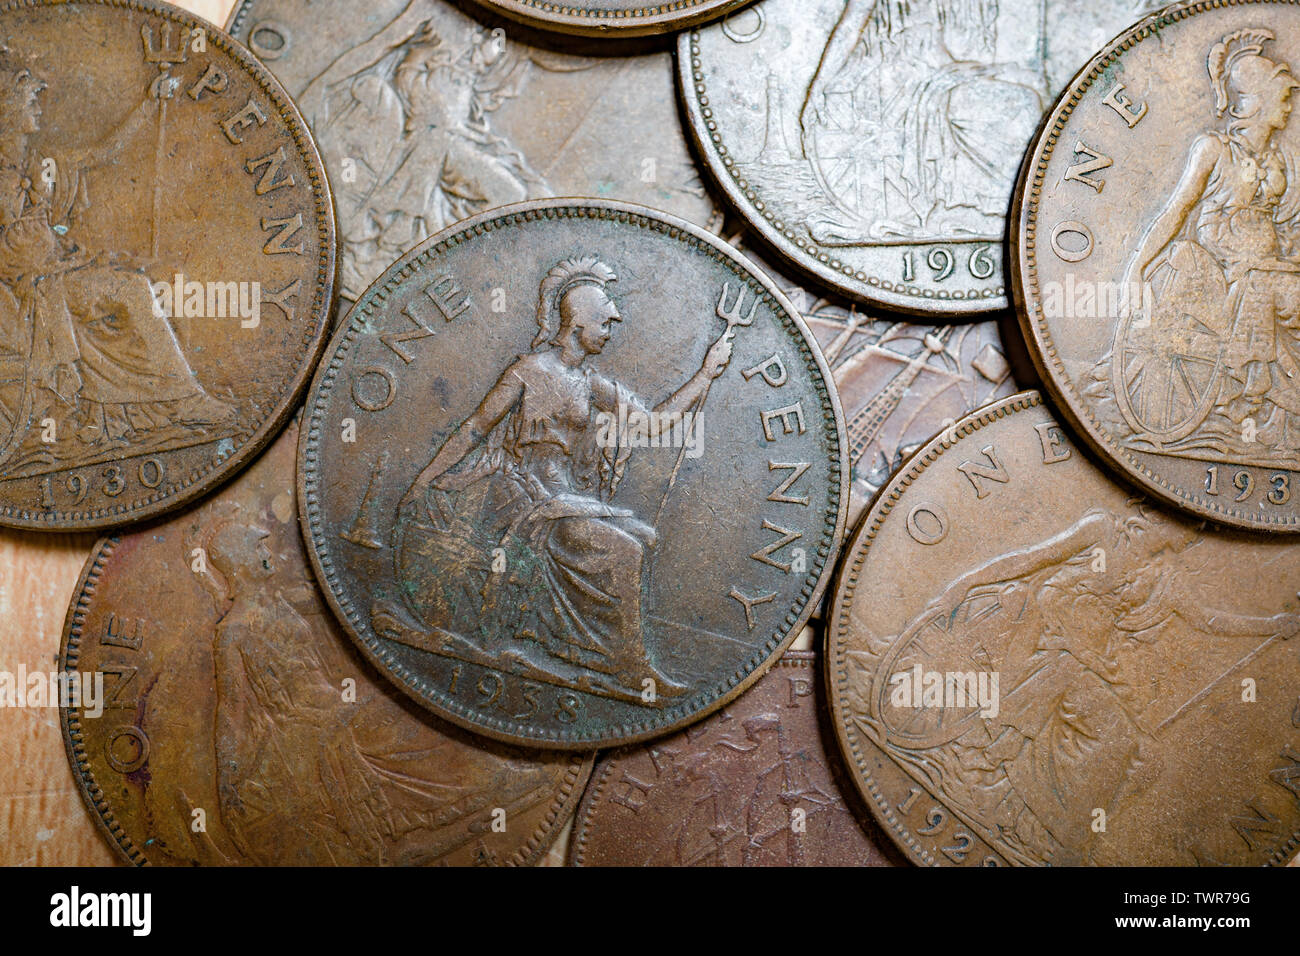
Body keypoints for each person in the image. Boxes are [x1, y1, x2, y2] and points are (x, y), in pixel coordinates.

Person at [394, 256, 733, 698]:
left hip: (564, 497)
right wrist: (425, 480)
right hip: (522, 493)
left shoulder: (590, 383)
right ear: (578, 327)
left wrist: (706, 373)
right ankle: (630, 667)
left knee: (643, 537)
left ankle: (587, 650)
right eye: (605, 325)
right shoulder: (527, 371)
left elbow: (651, 424)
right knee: (626, 550)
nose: (611, 334)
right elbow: (476, 427)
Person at [0, 46, 233, 469]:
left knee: (145, 278)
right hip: (29, 286)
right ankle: (184, 400)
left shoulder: (44, 161)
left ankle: (146, 404)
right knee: (130, 290)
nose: (38, 106)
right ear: (4, 105)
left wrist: (149, 103)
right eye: (30, 98)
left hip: (61, 268)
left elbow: (104, 153)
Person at [1123, 28, 1300, 452]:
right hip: (1224, 260)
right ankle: (1247, 391)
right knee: (1262, 287)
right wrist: (1137, 266)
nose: (1290, 105)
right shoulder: (1213, 148)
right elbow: (1177, 210)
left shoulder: (1281, 157)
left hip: (1270, 258)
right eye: (1283, 95)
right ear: (1254, 99)